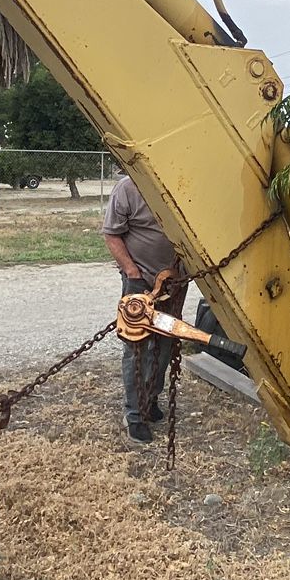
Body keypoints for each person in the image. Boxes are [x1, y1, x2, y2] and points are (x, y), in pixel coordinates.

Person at [102, 175, 187, 442]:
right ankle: (135, 415)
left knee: (164, 345)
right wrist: (132, 272)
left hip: (174, 283)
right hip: (140, 282)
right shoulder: (128, 188)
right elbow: (111, 234)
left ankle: (150, 399)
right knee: (136, 348)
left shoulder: (184, 185)